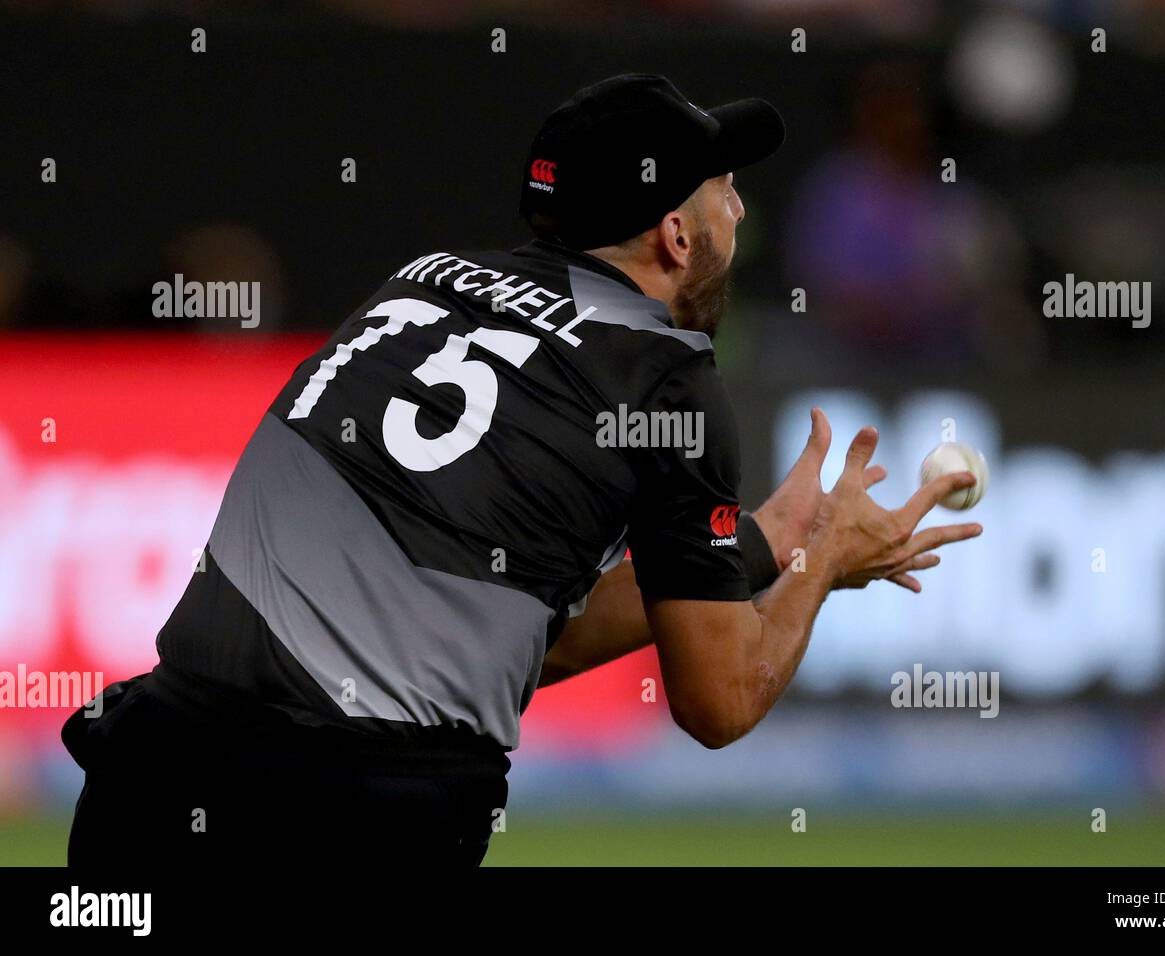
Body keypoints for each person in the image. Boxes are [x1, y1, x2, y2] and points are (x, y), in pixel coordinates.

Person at [62, 74, 982, 868]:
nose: (739, 209)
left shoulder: (419, 281)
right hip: (363, 810)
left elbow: (511, 638)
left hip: (157, 762)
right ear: (676, 235)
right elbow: (719, 700)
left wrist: (765, 546)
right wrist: (826, 561)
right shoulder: (666, 382)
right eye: (724, 191)